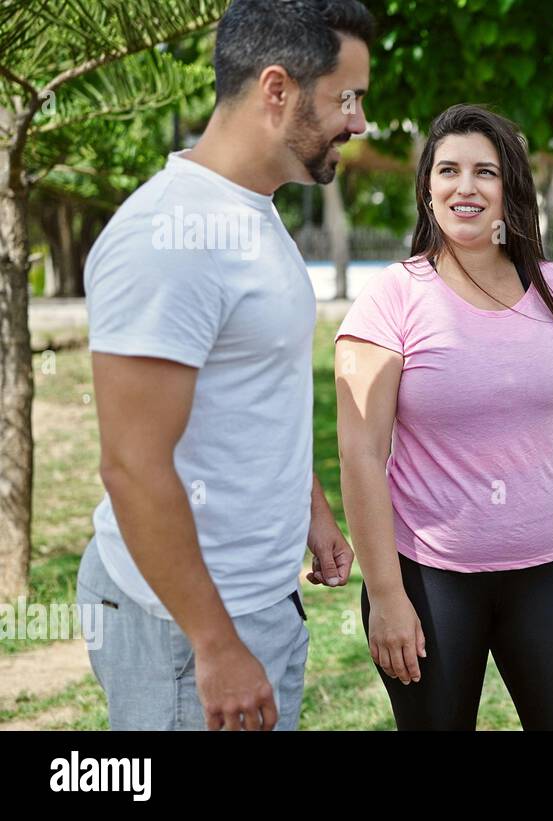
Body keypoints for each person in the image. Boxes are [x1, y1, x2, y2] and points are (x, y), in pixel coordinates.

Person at [75, 0, 373, 730]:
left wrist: (311, 509)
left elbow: (252, 385)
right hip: (188, 625)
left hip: (255, 599)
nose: (360, 122)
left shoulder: (252, 209)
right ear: (277, 90)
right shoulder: (168, 238)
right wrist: (215, 644)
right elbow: (134, 465)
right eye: (348, 97)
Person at [334, 104, 553, 730]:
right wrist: (386, 594)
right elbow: (361, 452)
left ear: (510, 190)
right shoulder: (393, 296)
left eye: (484, 172)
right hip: (428, 577)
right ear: (427, 188)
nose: (464, 188)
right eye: (448, 170)